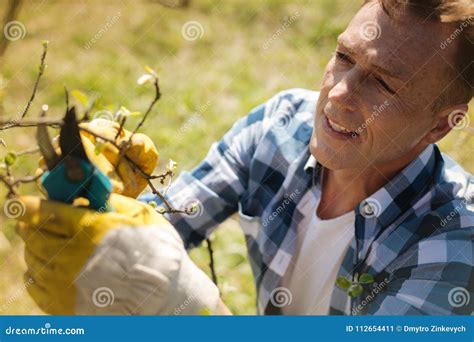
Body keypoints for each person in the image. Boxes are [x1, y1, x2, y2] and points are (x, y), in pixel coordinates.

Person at [16, 0, 473, 315]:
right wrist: (110, 202)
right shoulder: (280, 126)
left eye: (385, 85)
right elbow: (172, 220)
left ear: (440, 124)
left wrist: (185, 307)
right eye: (343, 56)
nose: (338, 92)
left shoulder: (455, 242)